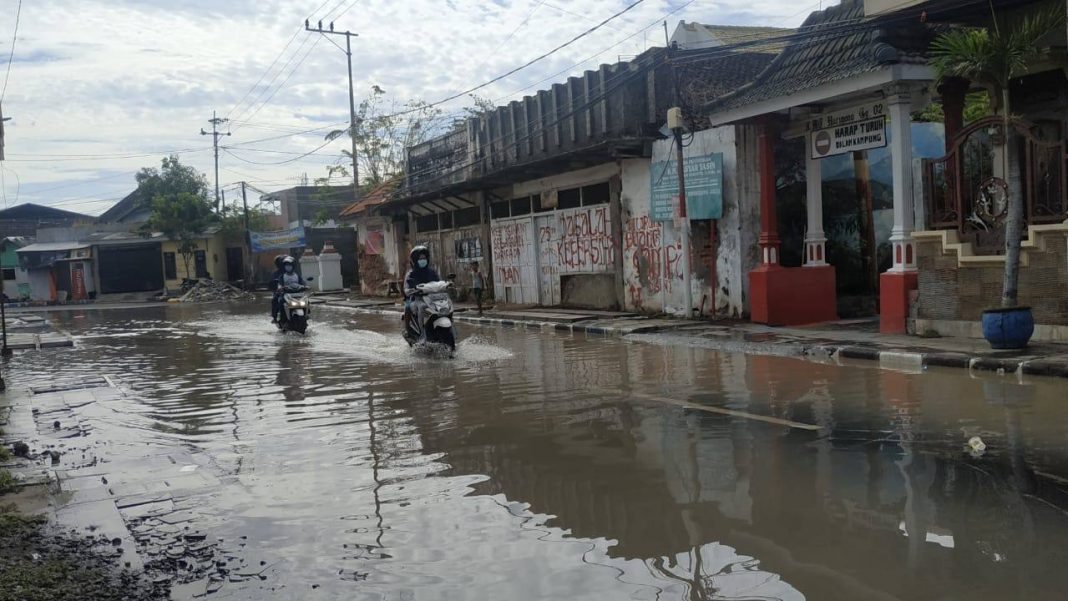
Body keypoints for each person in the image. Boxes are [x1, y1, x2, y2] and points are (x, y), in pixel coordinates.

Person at [403, 245, 440, 329]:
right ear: (415, 260)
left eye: (424, 258)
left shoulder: (431, 272)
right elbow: (407, 288)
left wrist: (445, 285)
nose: (423, 260)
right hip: (416, 298)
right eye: (420, 259)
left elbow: (438, 282)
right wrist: (411, 290)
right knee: (407, 307)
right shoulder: (411, 274)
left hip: (432, 298)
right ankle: (408, 329)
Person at [270, 256, 304, 323]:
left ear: (293, 266)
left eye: (290, 265)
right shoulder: (282, 276)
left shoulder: (297, 275)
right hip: (285, 294)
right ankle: (281, 319)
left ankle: (306, 314)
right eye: (286, 265)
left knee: (306, 300)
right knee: (279, 301)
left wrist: (305, 286)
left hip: (297, 294)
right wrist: (280, 288)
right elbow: (279, 283)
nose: (288, 267)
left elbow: (302, 282)